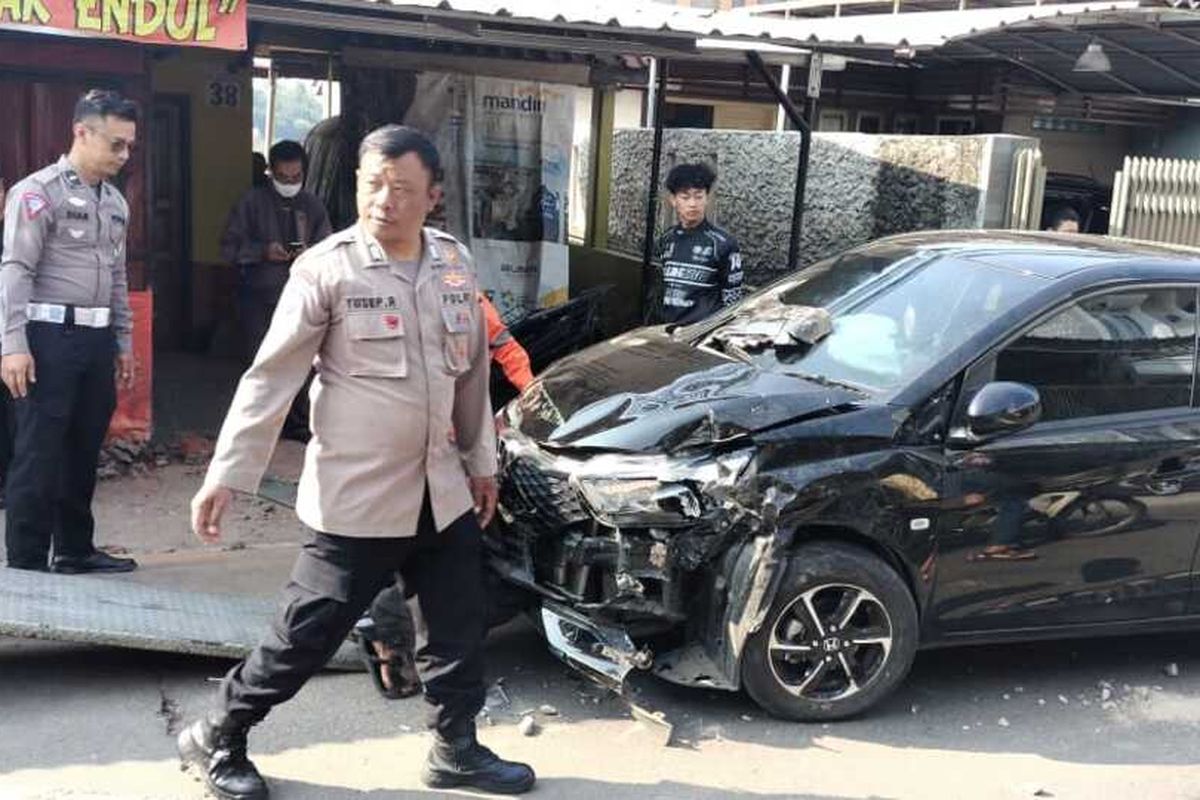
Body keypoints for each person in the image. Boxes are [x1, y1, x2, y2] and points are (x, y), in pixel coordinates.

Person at [178, 124, 536, 799]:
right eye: (372, 185)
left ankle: (455, 747)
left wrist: (482, 463)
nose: (383, 200)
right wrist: (228, 474)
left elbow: (470, 376)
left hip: (442, 488)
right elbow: (270, 378)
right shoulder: (327, 268)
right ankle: (217, 733)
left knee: (459, 626)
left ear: (432, 196)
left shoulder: (455, 265)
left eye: (401, 188)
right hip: (357, 496)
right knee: (304, 636)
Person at [357, 291, 533, 699]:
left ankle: (397, 655)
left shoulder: (456, 301)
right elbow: (511, 356)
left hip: (418, 451)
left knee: (403, 553)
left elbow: (511, 355)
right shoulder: (455, 300)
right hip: (425, 452)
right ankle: (403, 653)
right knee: (432, 555)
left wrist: (533, 401)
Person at [0, 90, 138, 574]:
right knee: (39, 450)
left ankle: (76, 549)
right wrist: (13, 345)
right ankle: (27, 558)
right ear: (82, 132)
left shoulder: (116, 203)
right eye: (116, 144)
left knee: (83, 447)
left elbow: (118, 276)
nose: (123, 155)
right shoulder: (37, 194)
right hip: (47, 339)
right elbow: (15, 269)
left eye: (128, 146)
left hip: (96, 342)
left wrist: (123, 342)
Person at [221, 140, 330, 441]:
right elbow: (229, 249)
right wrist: (261, 252)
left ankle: (297, 424)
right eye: (283, 178)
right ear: (270, 173)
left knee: (303, 363)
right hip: (259, 298)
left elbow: (330, 251)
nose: (290, 183)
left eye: (296, 178)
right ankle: (259, 427)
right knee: (261, 363)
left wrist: (309, 253)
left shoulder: (313, 206)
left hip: (304, 300)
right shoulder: (251, 203)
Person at [648, 162, 743, 325]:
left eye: (699, 196)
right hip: (667, 331)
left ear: (707, 198)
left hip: (700, 335)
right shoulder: (665, 240)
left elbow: (733, 301)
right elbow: (659, 291)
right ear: (673, 200)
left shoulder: (724, 244)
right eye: (685, 197)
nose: (693, 204)